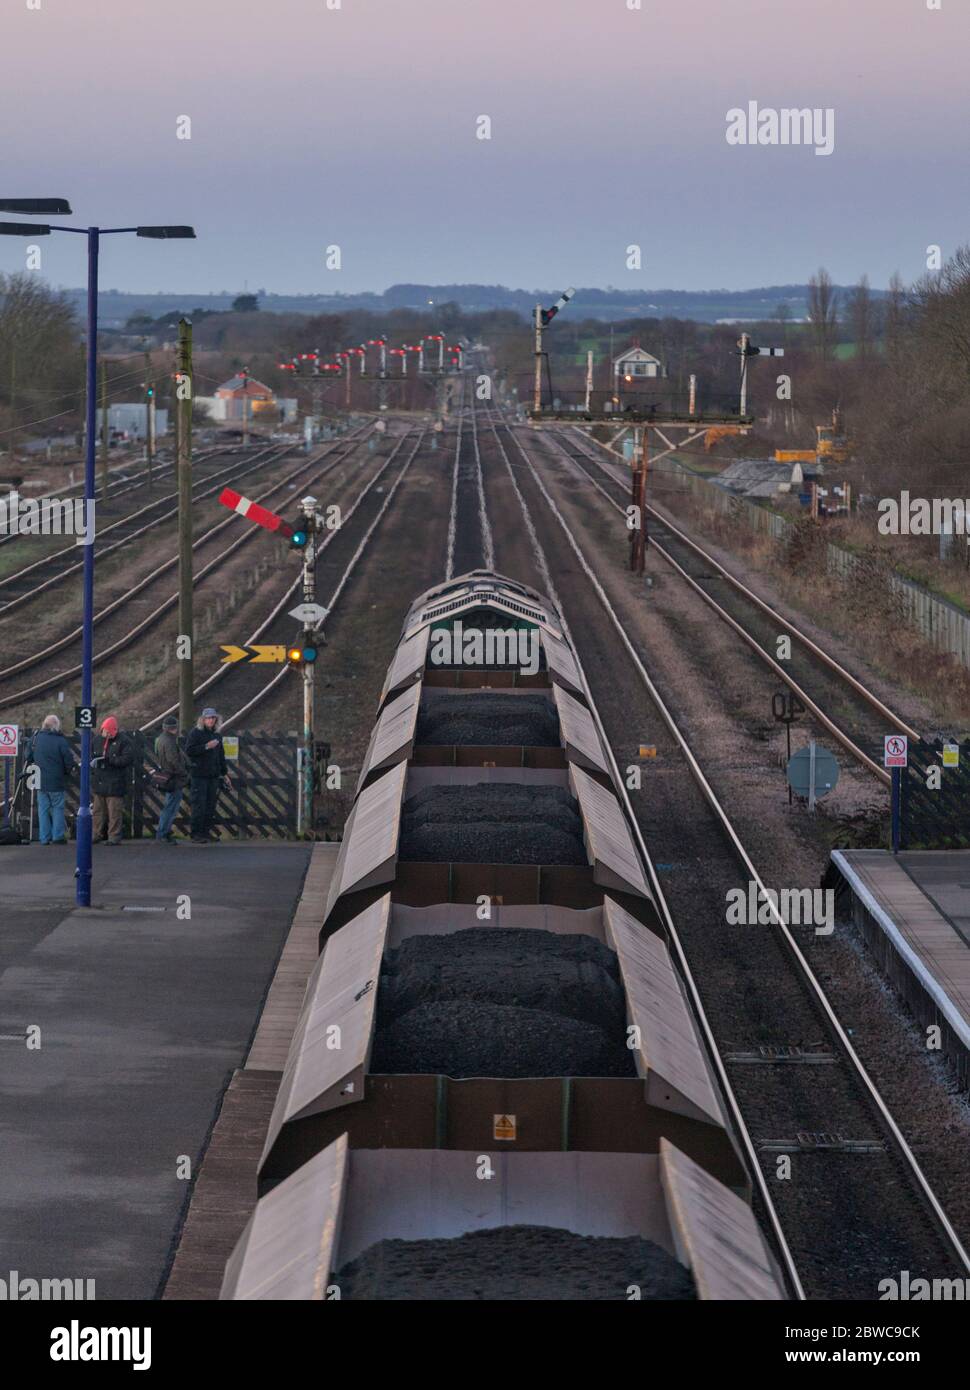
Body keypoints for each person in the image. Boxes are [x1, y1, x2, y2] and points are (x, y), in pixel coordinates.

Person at [28, 713, 77, 845]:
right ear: (55, 726)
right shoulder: (60, 740)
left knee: (43, 809)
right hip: (56, 780)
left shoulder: (36, 738)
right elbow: (68, 760)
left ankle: (44, 838)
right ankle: (58, 836)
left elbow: (28, 756)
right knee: (58, 808)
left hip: (40, 780)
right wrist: (67, 772)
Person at [185, 708, 231, 844]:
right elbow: (189, 751)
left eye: (213, 718)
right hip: (199, 775)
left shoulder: (217, 734)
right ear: (203, 719)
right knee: (199, 805)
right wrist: (206, 746)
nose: (210, 720)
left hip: (213, 776)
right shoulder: (195, 733)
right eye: (208, 718)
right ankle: (196, 834)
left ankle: (205, 833)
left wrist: (225, 773)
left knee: (210, 806)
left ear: (216, 719)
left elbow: (221, 755)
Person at [91, 715, 134, 845]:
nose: (107, 734)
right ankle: (96, 834)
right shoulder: (97, 740)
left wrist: (110, 760)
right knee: (98, 812)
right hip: (100, 781)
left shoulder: (124, 741)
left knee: (114, 812)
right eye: (105, 732)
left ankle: (114, 836)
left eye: (109, 732)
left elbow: (127, 759)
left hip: (115, 783)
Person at [153, 715, 189, 844]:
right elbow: (173, 760)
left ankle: (163, 831)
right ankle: (163, 832)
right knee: (171, 807)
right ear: (174, 728)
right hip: (173, 778)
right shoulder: (170, 741)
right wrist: (183, 772)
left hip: (166, 775)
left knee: (169, 805)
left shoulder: (160, 739)